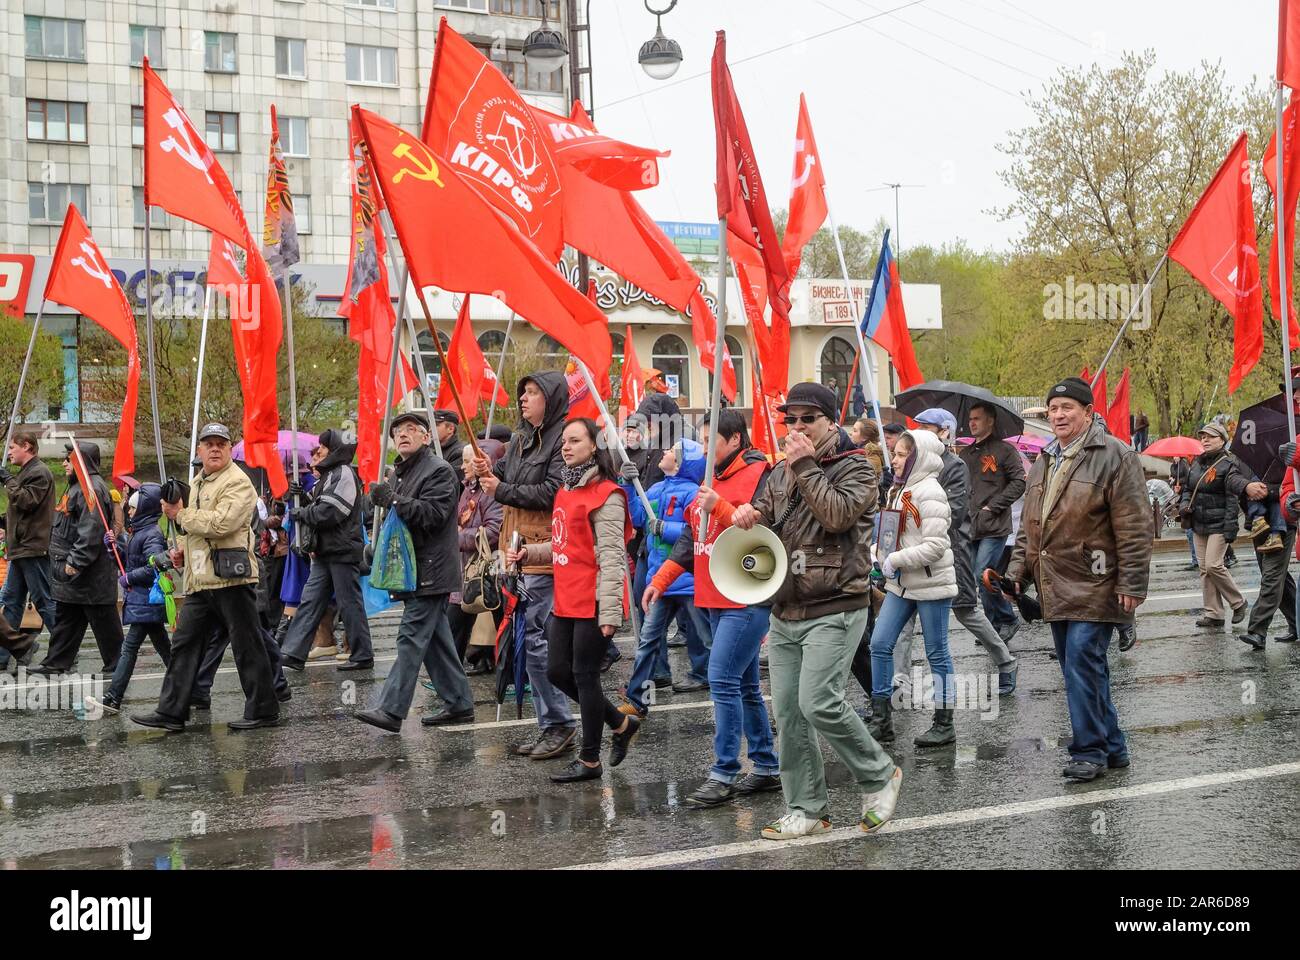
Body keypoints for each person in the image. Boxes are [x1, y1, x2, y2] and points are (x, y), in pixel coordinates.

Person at [708, 383, 902, 839]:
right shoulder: (778, 472)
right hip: (786, 605)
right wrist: (742, 516)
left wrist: (804, 464)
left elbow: (836, 517)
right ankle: (806, 807)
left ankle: (879, 775)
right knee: (791, 714)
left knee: (819, 702)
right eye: (789, 420)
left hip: (836, 602)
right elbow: (767, 522)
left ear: (831, 422)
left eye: (806, 419)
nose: (795, 428)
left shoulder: (858, 466)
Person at [1001, 378, 1152, 781]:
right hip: (1055, 582)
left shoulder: (1116, 455)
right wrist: (1016, 574)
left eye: (1067, 407)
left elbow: (1135, 528)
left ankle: (1088, 751)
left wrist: (1132, 585)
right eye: (1052, 409)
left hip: (1097, 580)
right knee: (1080, 669)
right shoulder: (1046, 460)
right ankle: (1114, 745)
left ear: (1088, 411)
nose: (1058, 415)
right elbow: (1029, 528)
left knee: (1082, 664)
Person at [647, 409, 778, 808]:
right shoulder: (709, 480)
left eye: (711, 441)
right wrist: (659, 581)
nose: (703, 448)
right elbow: (690, 538)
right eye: (701, 441)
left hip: (747, 595)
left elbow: (761, 530)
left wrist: (719, 504)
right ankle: (767, 766)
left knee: (721, 678)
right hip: (712, 595)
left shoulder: (760, 475)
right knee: (745, 685)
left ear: (735, 440)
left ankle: (723, 772)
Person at [507, 418, 640, 782]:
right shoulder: (565, 490)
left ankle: (590, 760)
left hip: (594, 602)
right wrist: (529, 554)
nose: (565, 447)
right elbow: (565, 544)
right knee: (556, 672)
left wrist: (611, 612)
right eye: (564, 441)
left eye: (574, 441)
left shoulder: (608, 494)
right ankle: (620, 722)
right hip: (564, 599)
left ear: (594, 446)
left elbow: (613, 557)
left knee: (584, 677)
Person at [131, 424, 280, 732]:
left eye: (221, 444)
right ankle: (172, 711)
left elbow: (222, 525)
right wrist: (182, 549)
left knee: (247, 645)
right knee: (184, 644)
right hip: (201, 581)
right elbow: (197, 532)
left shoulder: (239, 482)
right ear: (198, 450)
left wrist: (180, 515)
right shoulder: (198, 482)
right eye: (209, 444)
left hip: (232, 579)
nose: (215, 449)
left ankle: (264, 709)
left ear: (229, 449)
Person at [471, 372, 578, 759]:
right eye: (522, 393)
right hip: (515, 552)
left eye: (533, 393)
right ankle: (549, 723)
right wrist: (488, 471)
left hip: (544, 552)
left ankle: (562, 722)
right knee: (524, 642)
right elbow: (503, 479)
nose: (524, 399)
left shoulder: (563, 438)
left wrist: (500, 489)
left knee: (537, 642)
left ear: (550, 398)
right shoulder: (518, 440)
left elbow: (552, 492)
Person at [356, 412, 474, 730]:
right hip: (413, 569)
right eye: (398, 431)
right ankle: (460, 703)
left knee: (410, 637)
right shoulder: (400, 473)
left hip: (431, 569)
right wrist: (376, 547)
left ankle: (392, 710)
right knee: (436, 642)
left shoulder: (439, 470)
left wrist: (393, 499)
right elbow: (396, 525)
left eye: (412, 429)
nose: (403, 434)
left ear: (425, 437)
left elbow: (433, 515)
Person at [910, 408, 1018, 695]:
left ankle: (1006, 661)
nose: (919, 432)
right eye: (918, 427)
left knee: (967, 608)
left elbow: (954, 514)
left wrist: (993, 506)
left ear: (944, 431)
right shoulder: (913, 464)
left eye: (927, 427)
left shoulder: (955, 464)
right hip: (913, 554)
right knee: (897, 627)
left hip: (954, 546)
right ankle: (886, 692)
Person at [865, 427, 960, 747]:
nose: (895, 458)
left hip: (932, 583)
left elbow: (936, 546)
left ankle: (944, 724)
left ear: (919, 457)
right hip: (901, 585)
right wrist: (878, 555)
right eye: (896, 453)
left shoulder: (930, 491)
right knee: (879, 643)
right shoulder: (897, 488)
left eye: (903, 454)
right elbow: (892, 534)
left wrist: (897, 559)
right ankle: (882, 719)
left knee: (937, 653)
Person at [620, 439, 712, 714]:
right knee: (649, 636)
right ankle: (637, 698)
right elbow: (637, 517)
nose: (665, 452)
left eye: (672, 451)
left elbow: (698, 529)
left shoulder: (694, 492)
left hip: (687, 579)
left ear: (683, 462)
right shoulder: (657, 488)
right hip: (659, 579)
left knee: (703, 634)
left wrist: (665, 528)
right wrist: (627, 485)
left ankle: (705, 674)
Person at [279, 429, 374, 672]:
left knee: (349, 603)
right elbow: (317, 503)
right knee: (310, 601)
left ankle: (362, 654)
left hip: (341, 551)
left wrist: (303, 513)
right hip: (326, 551)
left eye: (324, 446)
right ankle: (293, 652)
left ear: (336, 449)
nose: (318, 450)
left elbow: (330, 512)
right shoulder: (330, 474)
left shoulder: (343, 474)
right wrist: (296, 497)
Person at [30, 442, 123, 676]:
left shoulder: (89, 489)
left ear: (83, 462)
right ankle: (56, 663)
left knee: (104, 622)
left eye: (69, 459)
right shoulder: (77, 487)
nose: (64, 463)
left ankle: (118, 666)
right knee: (66, 620)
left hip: (89, 573)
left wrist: (74, 563)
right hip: (76, 575)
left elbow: (90, 531)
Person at [84, 484, 171, 714]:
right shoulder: (140, 533)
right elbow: (130, 562)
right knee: (165, 649)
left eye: (132, 508)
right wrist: (114, 549)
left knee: (129, 648)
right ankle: (189, 688)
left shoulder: (150, 533)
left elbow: (155, 567)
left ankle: (113, 697)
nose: (129, 512)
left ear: (144, 508)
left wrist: (128, 579)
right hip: (143, 601)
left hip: (146, 600)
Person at [957, 401, 1026, 643]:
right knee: (981, 578)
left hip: (995, 527)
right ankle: (994, 626)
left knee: (981, 575)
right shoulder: (964, 454)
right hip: (971, 527)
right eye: (970, 419)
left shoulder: (1005, 451)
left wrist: (994, 506)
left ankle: (1007, 619)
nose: (972, 423)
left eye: (977, 418)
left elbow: (1019, 482)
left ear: (990, 421)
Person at [1238, 379, 1300, 650]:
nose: (1295, 397)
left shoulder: (1292, 436)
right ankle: (1297, 623)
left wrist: (1268, 492)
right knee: (1276, 575)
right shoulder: (1259, 437)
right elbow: (1235, 476)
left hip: (1283, 517)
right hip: (1258, 521)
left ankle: (1257, 630)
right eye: (1292, 392)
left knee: (1273, 574)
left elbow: (1287, 483)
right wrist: (1247, 487)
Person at [1177, 424, 1249, 630]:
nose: (1205, 440)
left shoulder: (1229, 463)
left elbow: (1232, 500)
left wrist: (1230, 528)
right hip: (1199, 523)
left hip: (1219, 523)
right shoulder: (1197, 462)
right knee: (1204, 569)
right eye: (1203, 437)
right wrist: (1184, 505)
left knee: (1213, 565)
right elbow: (1188, 490)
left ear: (1222, 440)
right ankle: (1214, 613)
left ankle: (1238, 602)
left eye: (1211, 436)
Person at [0, 430, 56, 663]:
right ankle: (6, 654)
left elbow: (27, 501)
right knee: (11, 602)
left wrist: (7, 479)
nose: (9, 452)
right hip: (21, 548)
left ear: (27, 446)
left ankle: (65, 650)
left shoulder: (39, 473)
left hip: (33, 547)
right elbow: (19, 514)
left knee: (44, 601)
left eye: (12, 447)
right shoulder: (26, 473)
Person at [449, 439, 504, 674]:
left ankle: (513, 674)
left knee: (503, 624)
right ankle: (450, 676)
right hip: (469, 569)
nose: (462, 467)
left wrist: (458, 538)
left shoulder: (492, 492)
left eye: (467, 461)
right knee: (456, 624)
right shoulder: (469, 489)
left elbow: (495, 529)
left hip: (490, 570)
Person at [1169, 454, 1199, 570]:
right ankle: (1195, 560)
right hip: (1188, 504)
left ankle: (1198, 560)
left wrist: (1180, 483)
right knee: (1189, 533)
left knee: (1192, 534)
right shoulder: (1174, 466)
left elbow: (1187, 480)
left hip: (1198, 507)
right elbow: (1188, 489)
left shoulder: (1186, 465)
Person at [434, 410, 464, 484]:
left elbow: (447, 481)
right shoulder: (430, 449)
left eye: (436, 425)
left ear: (450, 429)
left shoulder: (459, 453)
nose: (431, 429)